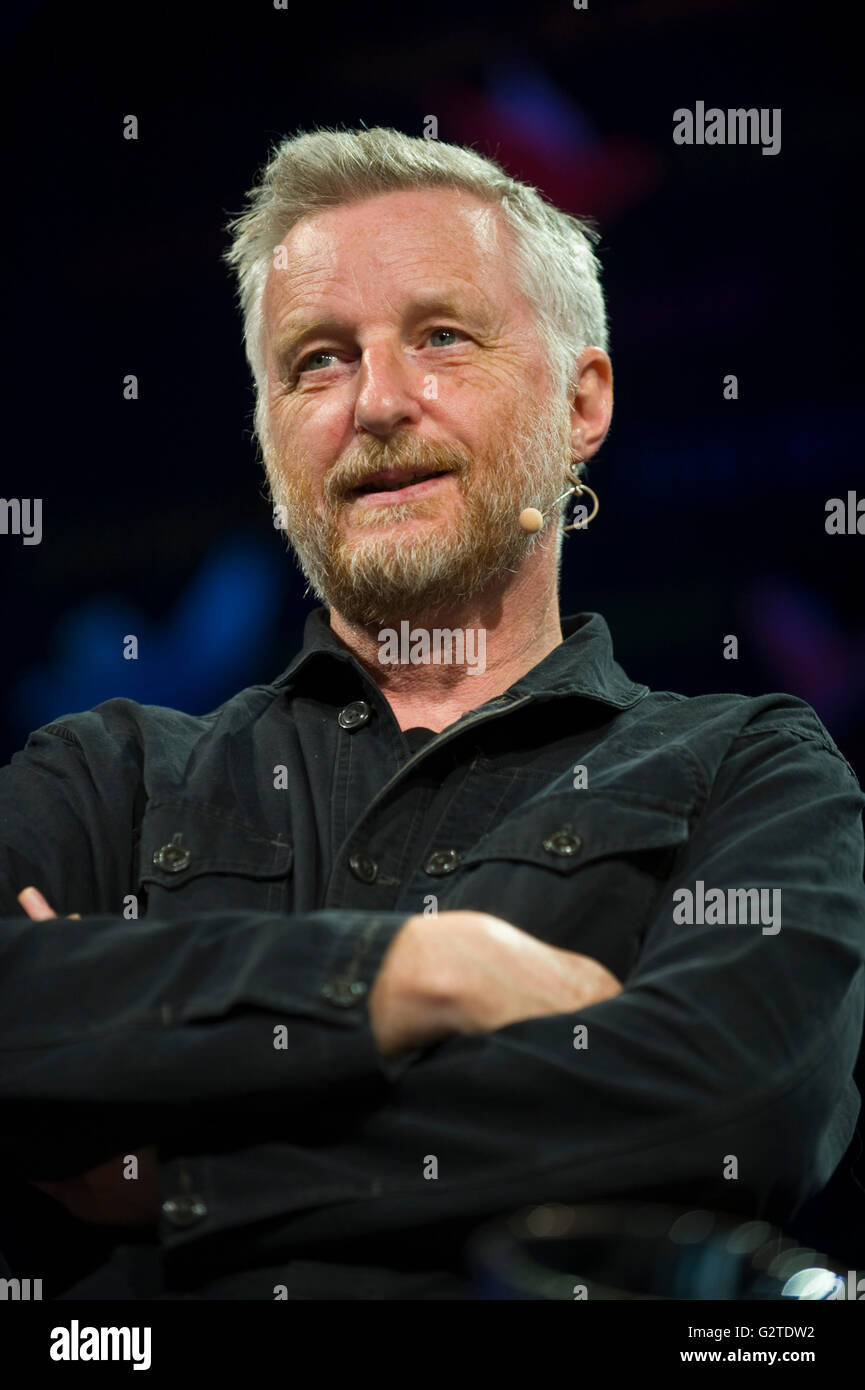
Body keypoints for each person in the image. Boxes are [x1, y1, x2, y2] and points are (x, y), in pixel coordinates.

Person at [1, 126, 863, 1301]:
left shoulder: (746, 770)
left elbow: (735, 1098)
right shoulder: (105, 779)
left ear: (581, 400)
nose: (378, 402)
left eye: (442, 337)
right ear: (264, 434)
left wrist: (190, 1175)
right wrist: (412, 972)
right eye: (315, 359)